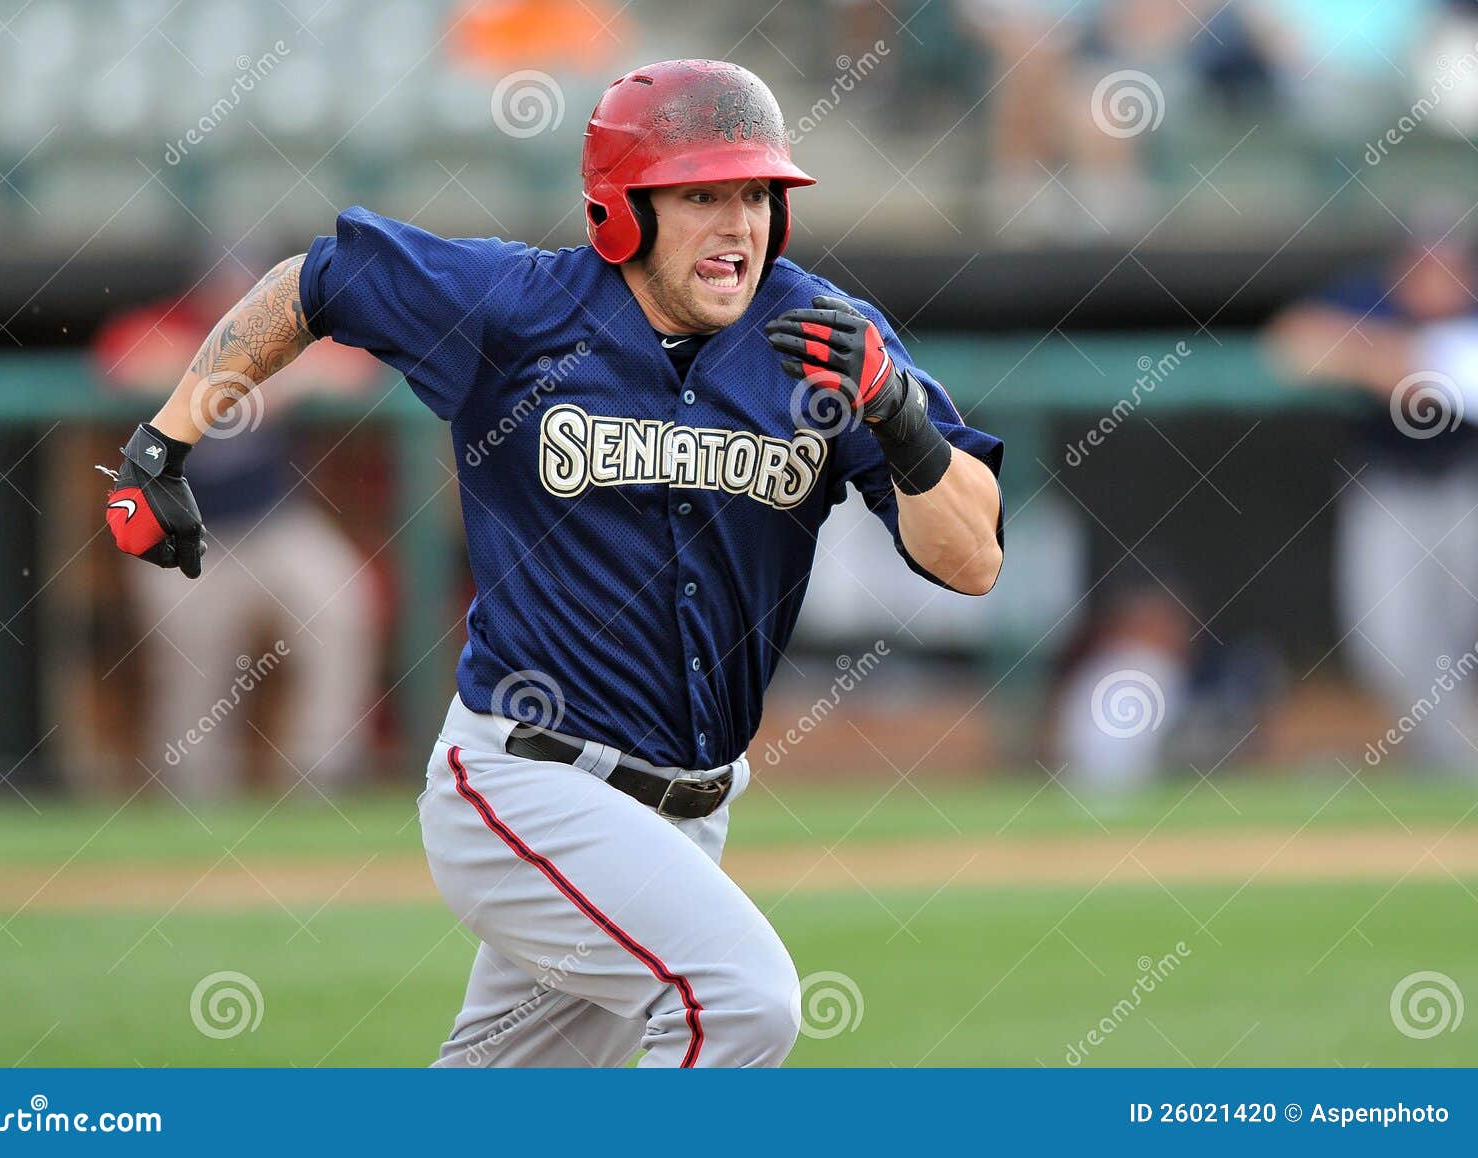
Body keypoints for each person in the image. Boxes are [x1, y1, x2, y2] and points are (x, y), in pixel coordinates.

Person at [102, 59, 1004, 1067]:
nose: (738, 224)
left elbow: (971, 560)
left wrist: (902, 420)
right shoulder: (518, 307)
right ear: (621, 211)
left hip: (686, 817)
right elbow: (313, 283)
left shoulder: (830, 344)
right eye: (700, 195)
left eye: (756, 194)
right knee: (742, 1003)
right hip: (522, 784)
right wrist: (164, 440)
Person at [94, 251, 381, 798]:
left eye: (244, 283)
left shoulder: (283, 325)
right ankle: (195, 800)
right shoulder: (166, 325)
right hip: (185, 538)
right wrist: (223, 378)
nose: (233, 294)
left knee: (342, 605)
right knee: (188, 671)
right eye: (222, 282)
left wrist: (283, 376)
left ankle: (320, 777)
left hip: (275, 525)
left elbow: (357, 367)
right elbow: (119, 360)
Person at [1265, 229, 1478, 767]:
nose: (1436, 277)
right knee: (1386, 643)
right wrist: (1394, 360)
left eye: (1449, 263)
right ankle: (1452, 763)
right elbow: (1291, 345)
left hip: (1466, 489)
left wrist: (1421, 364)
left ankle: (1455, 761)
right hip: (1389, 492)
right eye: (1424, 262)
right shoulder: (1371, 298)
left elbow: (1443, 374)